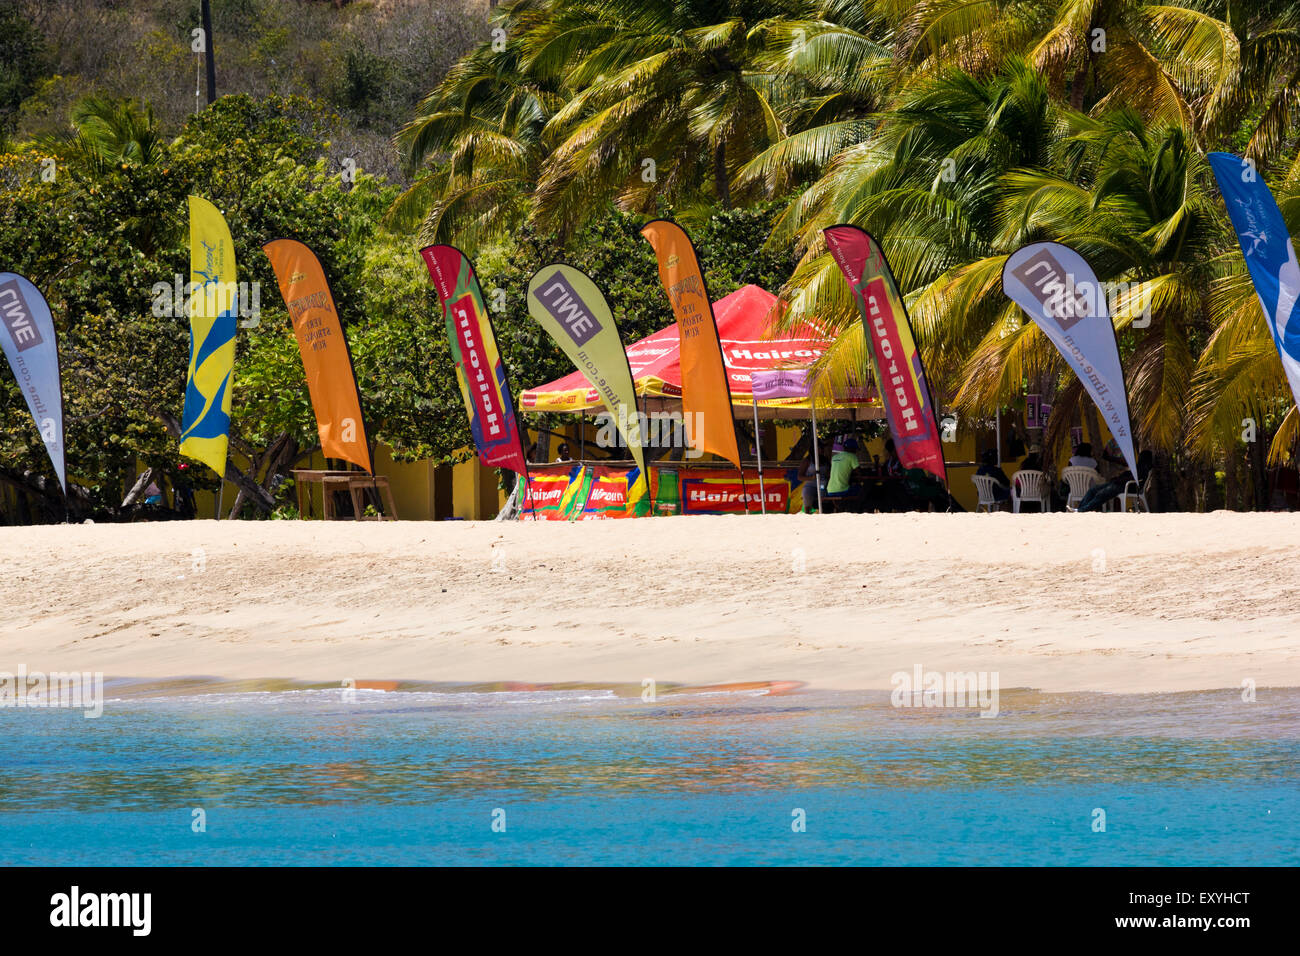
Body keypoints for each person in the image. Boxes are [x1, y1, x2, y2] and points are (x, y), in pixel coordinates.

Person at [1079, 450, 1153, 512]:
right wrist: (1118, 479)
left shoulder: (1144, 468)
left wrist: (1119, 479)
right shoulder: (1139, 466)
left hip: (1127, 487)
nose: (1139, 457)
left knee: (1101, 494)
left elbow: (1133, 478)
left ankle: (1083, 510)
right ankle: (1080, 509)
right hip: (1119, 483)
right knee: (1093, 490)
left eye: (1141, 456)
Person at [826, 437, 862, 503]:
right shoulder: (852, 456)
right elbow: (859, 473)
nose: (855, 451)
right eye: (855, 449)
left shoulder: (834, 457)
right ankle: (858, 510)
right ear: (852, 448)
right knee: (860, 489)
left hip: (829, 491)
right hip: (842, 491)